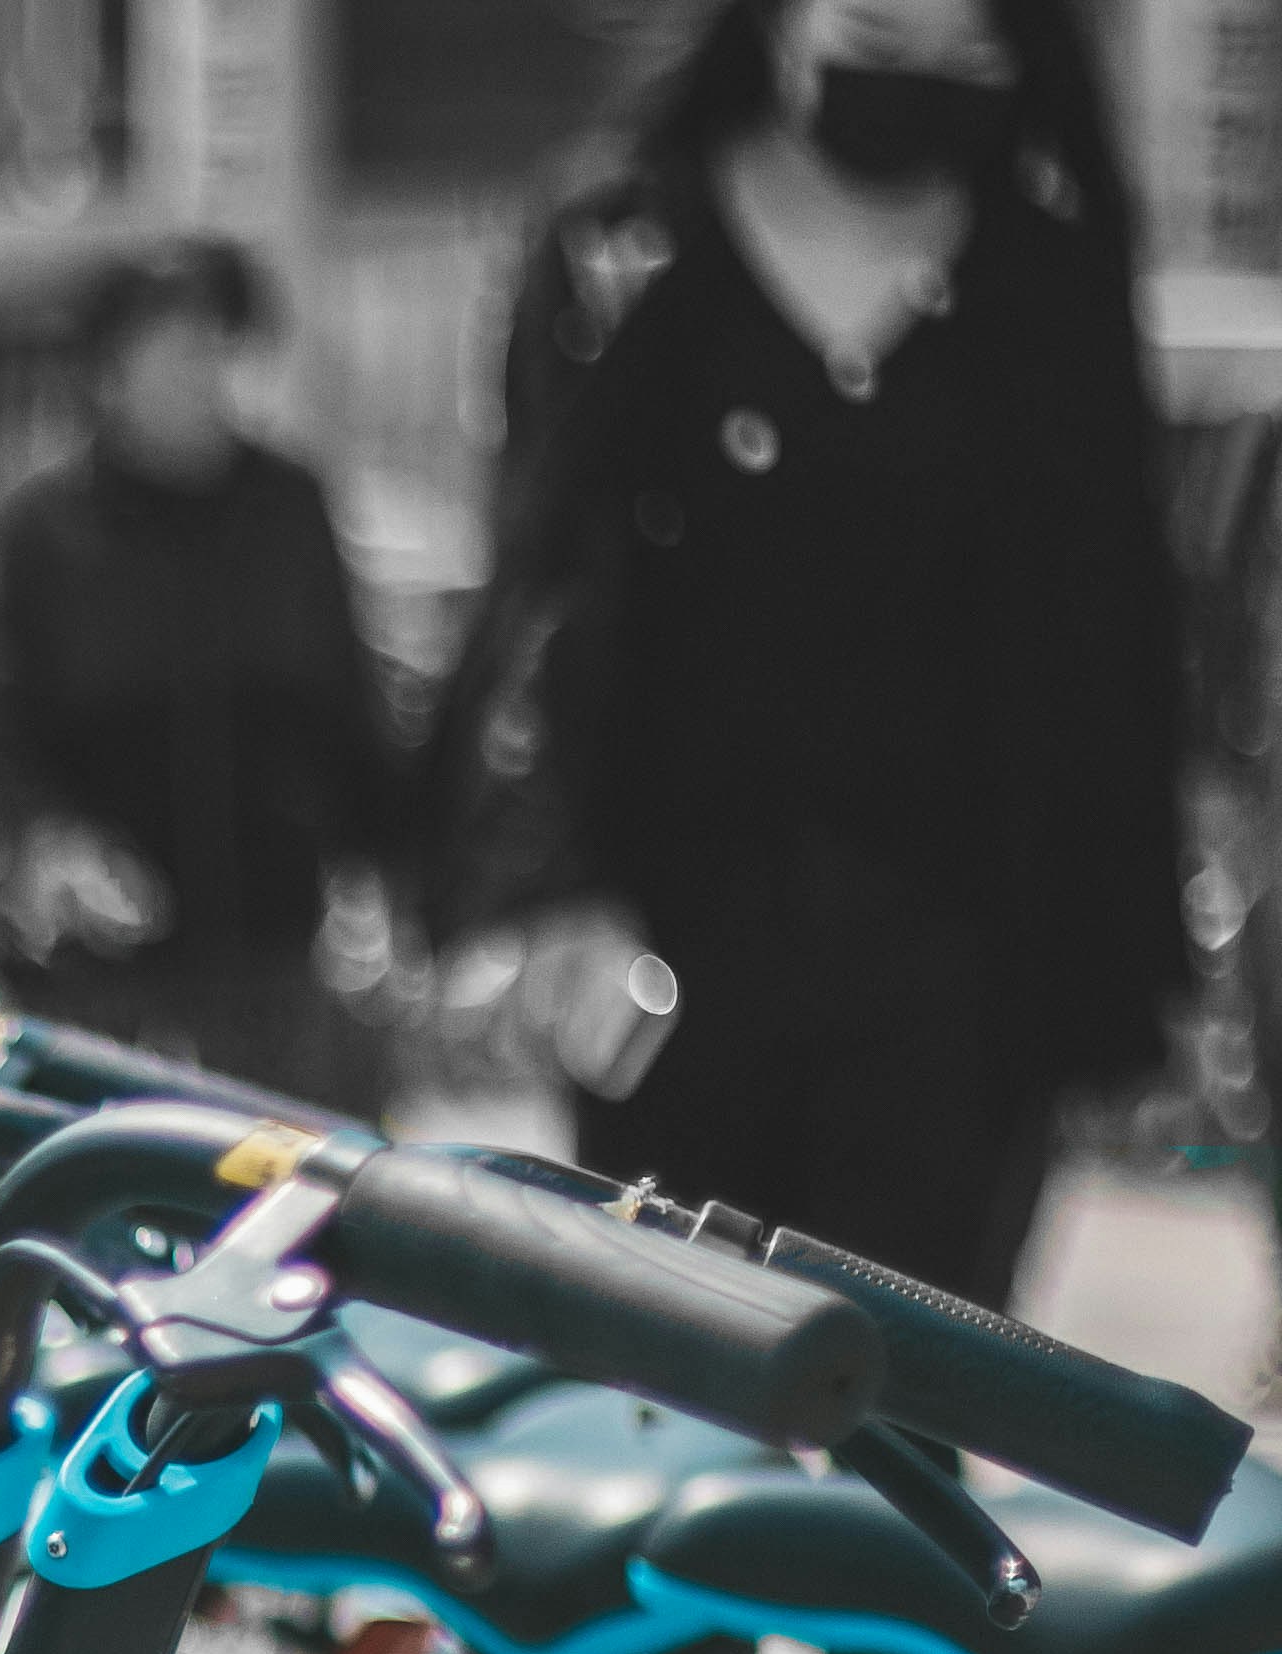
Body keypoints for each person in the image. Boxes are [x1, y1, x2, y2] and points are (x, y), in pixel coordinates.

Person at [421, 0, 1182, 1308]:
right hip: (670, 956)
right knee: (682, 1393)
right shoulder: (624, 245)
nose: (925, 77)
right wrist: (548, 887)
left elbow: (1117, 631)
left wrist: (1125, 976)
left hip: (965, 978)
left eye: (973, 50)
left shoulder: (1047, 272)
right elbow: (543, 584)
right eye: (884, 35)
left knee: (905, 1411)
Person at [0, 237, 401, 1109]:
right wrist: (53, 839)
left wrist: (386, 879)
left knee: (294, 1202)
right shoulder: (38, 526)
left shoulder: (289, 505)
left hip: (276, 946)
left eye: (212, 346)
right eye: (166, 349)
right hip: (105, 965)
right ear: (106, 372)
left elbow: (348, 703)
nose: (197, 372)